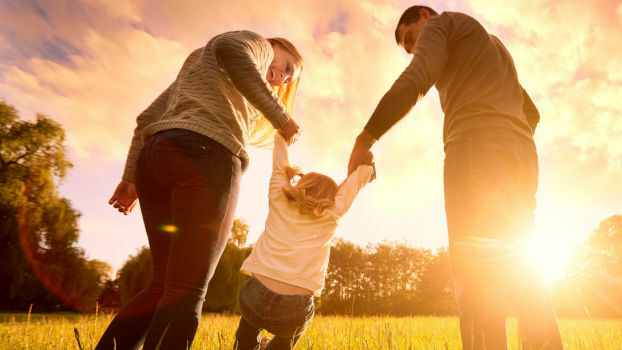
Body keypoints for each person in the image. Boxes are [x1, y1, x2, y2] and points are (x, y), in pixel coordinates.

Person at [347, 6, 563, 350]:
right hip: (521, 157)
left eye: (411, 38)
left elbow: (416, 79)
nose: (413, 48)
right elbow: (531, 112)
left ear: (423, 16)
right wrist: (507, 139)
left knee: (475, 271)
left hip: (476, 150)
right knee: (521, 269)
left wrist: (366, 138)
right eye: (407, 46)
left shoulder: (442, 24)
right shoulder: (491, 46)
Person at [98, 31, 303, 350]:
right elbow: (230, 47)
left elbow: (147, 119)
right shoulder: (257, 45)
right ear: (275, 46)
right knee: (186, 288)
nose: (285, 77)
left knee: (163, 284)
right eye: (289, 64)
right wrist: (281, 117)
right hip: (206, 156)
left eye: (291, 77)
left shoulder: (199, 63)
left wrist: (130, 178)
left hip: (155, 158)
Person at [234, 136, 375, 350]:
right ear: (332, 197)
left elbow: (279, 163)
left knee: (248, 329)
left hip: (255, 296)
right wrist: (366, 167)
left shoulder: (279, 198)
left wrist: (283, 136)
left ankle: (247, 345)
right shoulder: (332, 213)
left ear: (302, 184)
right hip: (294, 307)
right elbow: (355, 184)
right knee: (286, 338)